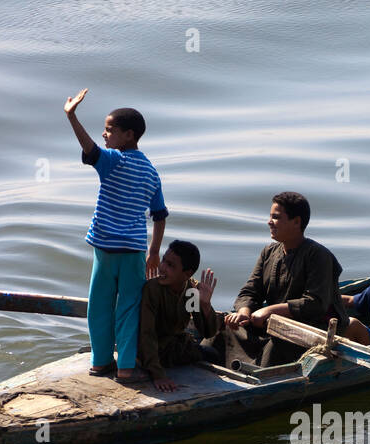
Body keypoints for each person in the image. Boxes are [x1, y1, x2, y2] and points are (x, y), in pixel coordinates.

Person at [63, 88, 167, 384]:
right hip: (134, 251)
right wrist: (154, 251)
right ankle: (125, 368)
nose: (105, 135)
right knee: (129, 306)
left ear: (129, 135)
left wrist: (72, 117)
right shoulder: (151, 171)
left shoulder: (114, 162)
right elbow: (160, 215)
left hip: (105, 248)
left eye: (110, 131)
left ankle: (100, 362)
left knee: (99, 304)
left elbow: (90, 148)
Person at [224, 192, 347, 366]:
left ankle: (258, 377)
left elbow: (315, 303)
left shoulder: (318, 255)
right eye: (270, 216)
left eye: (276, 217)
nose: (269, 222)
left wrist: (269, 310)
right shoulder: (269, 252)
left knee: (278, 344)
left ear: (296, 222)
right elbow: (250, 291)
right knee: (227, 327)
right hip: (274, 325)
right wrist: (244, 311)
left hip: (310, 330)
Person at [137, 240, 222, 392]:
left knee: (213, 354)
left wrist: (205, 305)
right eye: (163, 261)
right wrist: (158, 375)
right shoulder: (153, 290)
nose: (162, 267)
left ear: (187, 274)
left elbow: (206, 332)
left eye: (170, 265)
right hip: (151, 351)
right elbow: (146, 334)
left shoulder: (190, 290)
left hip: (176, 348)